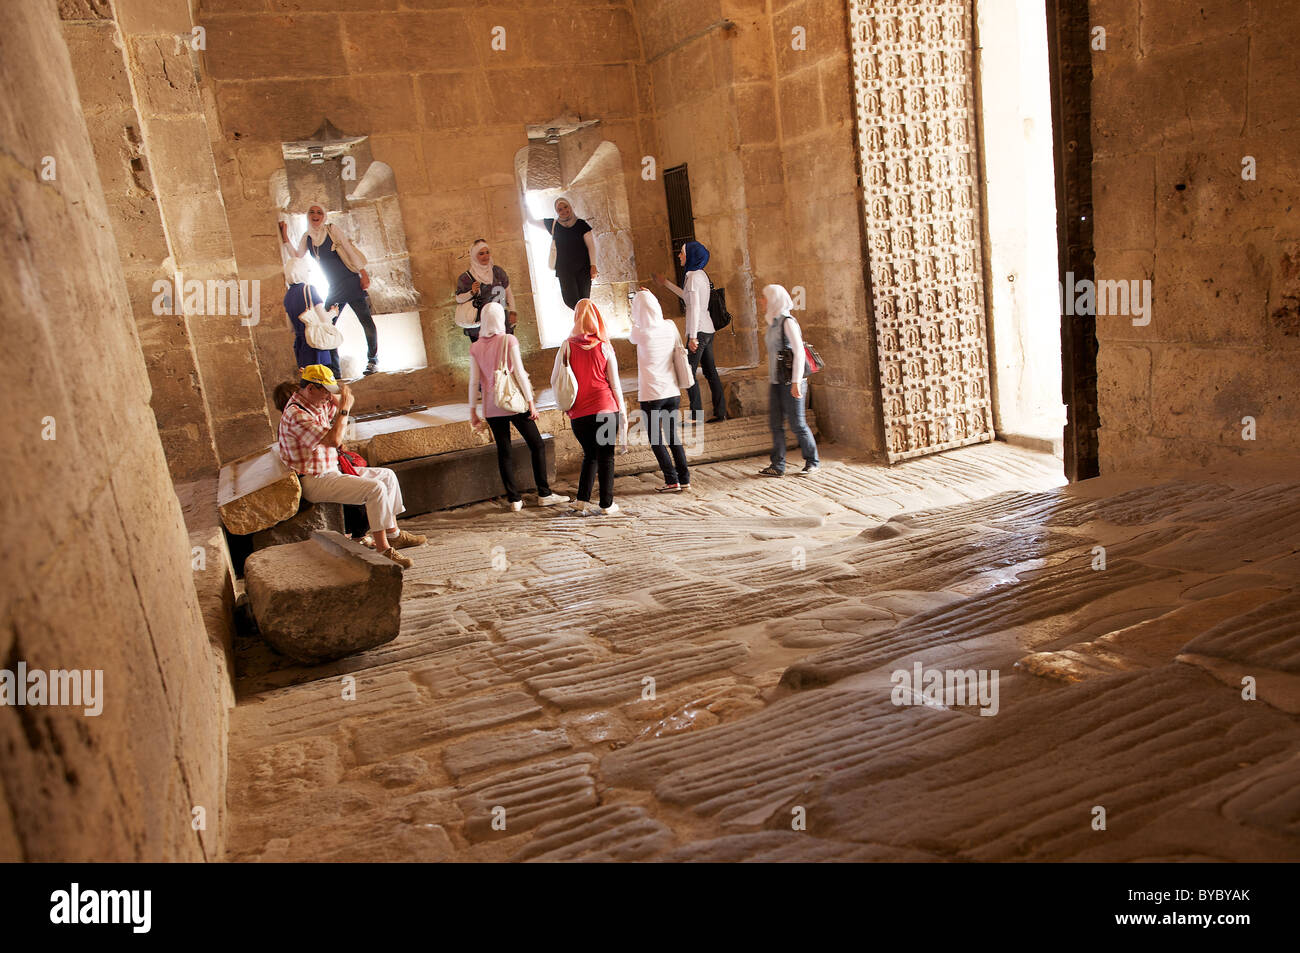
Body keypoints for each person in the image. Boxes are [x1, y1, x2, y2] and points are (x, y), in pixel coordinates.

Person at [276, 364, 426, 567]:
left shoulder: (312, 401)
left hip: (330, 469)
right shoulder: (297, 414)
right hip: (314, 479)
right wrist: (345, 408)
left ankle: (394, 534)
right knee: (375, 489)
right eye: (326, 392)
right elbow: (335, 439)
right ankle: (384, 550)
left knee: (387, 476)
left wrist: (336, 394)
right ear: (310, 389)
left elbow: (335, 406)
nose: (329, 397)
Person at [468, 303, 570, 510]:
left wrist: (472, 411)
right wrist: (531, 402)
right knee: (537, 445)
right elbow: (521, 373)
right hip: (513, 402)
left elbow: (473, 381)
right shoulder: (509, 340)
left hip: (491, 405)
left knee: (504, 451)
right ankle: (544, 493)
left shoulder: (475, 347)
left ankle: (514, 499)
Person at [281, 204, 379, 376]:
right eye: (311, 212)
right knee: (326, 325)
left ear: (324, 215)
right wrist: (284, 237)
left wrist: (363, 273)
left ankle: (373, 361)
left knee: (366, 322)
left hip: (350, 282)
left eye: (319, 212)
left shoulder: (332, 230)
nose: (315, 215)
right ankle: (335, 371)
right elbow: (297, 256)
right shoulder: (308, 237)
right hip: (334, 288)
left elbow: (349, 250)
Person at [552, 299, 628, 515]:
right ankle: (606, 504)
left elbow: (554, 379)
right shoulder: (604, 346)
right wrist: (621, 411)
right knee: (606, 456)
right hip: (605, 409)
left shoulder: (566, 346)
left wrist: (565, 405)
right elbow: (614, 383)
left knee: (589, 455)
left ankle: (581, 500)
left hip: (579, 414)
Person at [654, 240, 728, 423]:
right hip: (707, 329)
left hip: (700, 331)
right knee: (711, 373)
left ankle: (696, 415)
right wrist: (667, 284)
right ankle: (721, 412)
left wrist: (693, 337)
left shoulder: (693, 277)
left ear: (691, 255)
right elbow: (687, 298)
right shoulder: (699, 275)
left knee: (688, 372)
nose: (679, 255)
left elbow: (694, 308)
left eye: (682, 252)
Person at [627, 288, 690, 492]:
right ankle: (685, 478)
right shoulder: (670, 326)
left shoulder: (640, 332)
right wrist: (648, 295)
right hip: (672, 392)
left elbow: (632, 330)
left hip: (652, 395)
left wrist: (636, 302)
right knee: (673, 437)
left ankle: (671, 480)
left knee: (656, 439)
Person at [757, 284, 819, 477]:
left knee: (797, 424)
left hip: (791, 381)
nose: (761, 300)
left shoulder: (787, 322)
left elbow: (799, 353)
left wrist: (796, 382)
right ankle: (778, 465)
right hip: (777, 381)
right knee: (775, 424)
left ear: (774, 299)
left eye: (764, 297)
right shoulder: (773, 322)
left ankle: (812, 461)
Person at [527, 196, 597, 310]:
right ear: (556, 211)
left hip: (582, 268)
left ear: (570, 207)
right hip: (564, 270)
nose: (564, 210)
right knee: (570, 300)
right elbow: (531, 221)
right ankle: (582, 324)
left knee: (584, 300)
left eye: (566, 207)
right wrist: (523, 202)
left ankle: (583, 325)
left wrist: (593, 265)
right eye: (560, 209)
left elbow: (591, 246)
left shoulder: (581, 224)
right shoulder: (553, 224)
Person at [282, 257, 340, 378]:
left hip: (300, 346)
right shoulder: (308, 289)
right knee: (323, 381)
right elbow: (325, 319)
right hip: (314, 343)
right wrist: (333, 312)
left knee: (309, 382)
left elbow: (290, 327)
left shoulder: (287, 297)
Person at [455, 239, 517, 344]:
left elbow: (508, 291)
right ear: (474, 256)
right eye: (481, 253)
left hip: (501, 320)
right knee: (485, 356)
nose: (486, 256)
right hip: (480, 325)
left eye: (487, 252)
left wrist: (513, 311)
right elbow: (458, 299)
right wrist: (471, 292)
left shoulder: (497, 271)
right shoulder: (466, 278)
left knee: (504, 351)